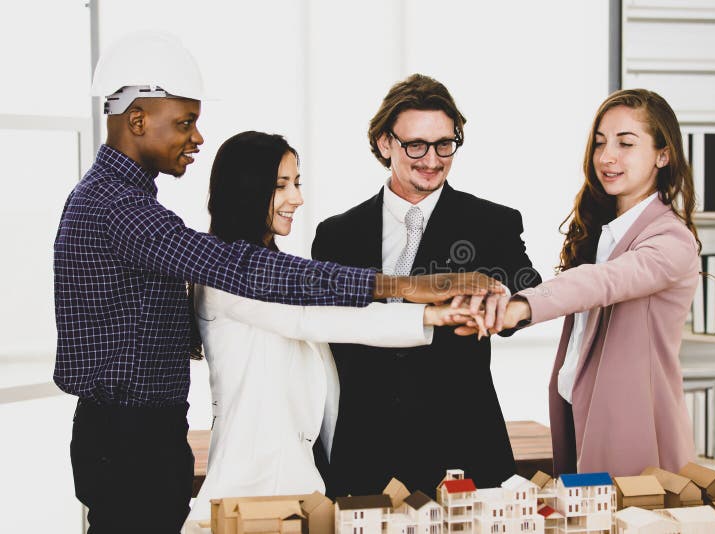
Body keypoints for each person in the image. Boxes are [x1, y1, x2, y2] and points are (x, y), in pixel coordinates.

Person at [55, 33, 500, 534]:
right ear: (138, 120)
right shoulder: (120, 208)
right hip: (133, 439)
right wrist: (411, 293)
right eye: (185, 123)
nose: (196, 137)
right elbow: (273, 291)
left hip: (150, 436)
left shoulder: (128, 203)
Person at [187, 131, 481, 521]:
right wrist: (427, 313)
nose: (297, 198)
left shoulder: (267, 274)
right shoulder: (228, 280)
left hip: (294, 487)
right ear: (246, 191)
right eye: (281, 186)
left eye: (297, 183)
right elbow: (315, 316)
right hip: (255, 491)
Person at [312, 73, 541, 497]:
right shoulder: (336, 234)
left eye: (444, 144)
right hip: (364, 453)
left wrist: (501, 298)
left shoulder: (492, 222)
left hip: (462, 449)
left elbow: (526, 287)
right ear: (385, 143)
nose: (432, 159)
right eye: (415, 145)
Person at [487, 88, 701, 477]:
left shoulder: (672, 240)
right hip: (578, 411)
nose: (607, 157)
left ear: (663, 154)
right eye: (600, 143)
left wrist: (521, 306)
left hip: (634, 427)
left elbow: (601, 282)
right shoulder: (606, 234)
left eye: (626, 143)